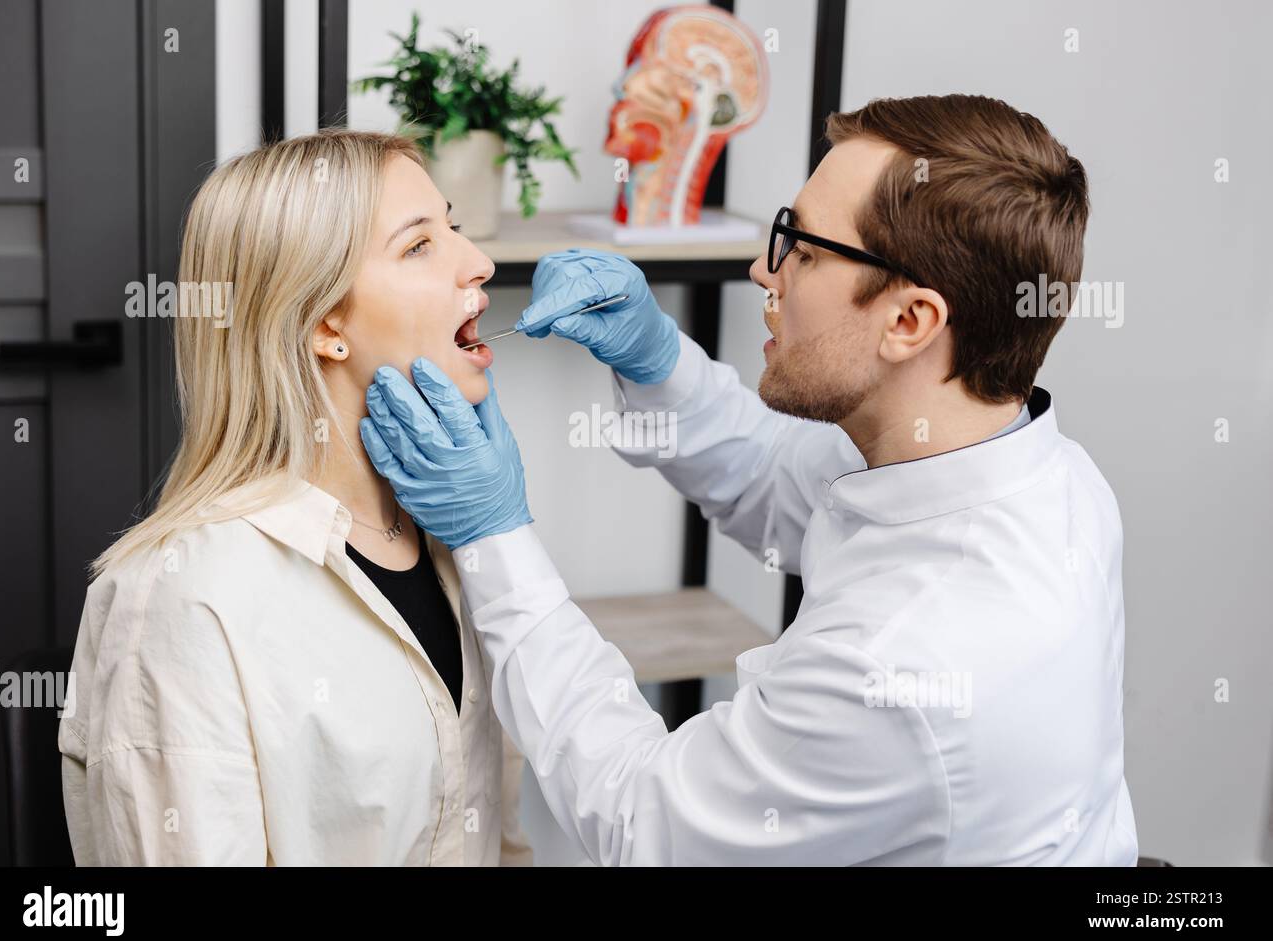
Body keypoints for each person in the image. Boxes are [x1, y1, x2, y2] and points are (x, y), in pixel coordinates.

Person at [361, 95, 1139, 865]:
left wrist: (492, 534)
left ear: (909, 322)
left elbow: (644, 821)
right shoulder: (1026, 465)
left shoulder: (905, 668)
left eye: (802, 249)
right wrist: (653, 357)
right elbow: (777, 477)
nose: (764, 268)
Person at [60, 129, 532, 866]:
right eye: (419, 246)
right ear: (324, 325)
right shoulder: (183, 600)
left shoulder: (455, 540)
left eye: (456, 228)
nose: (479, 262)